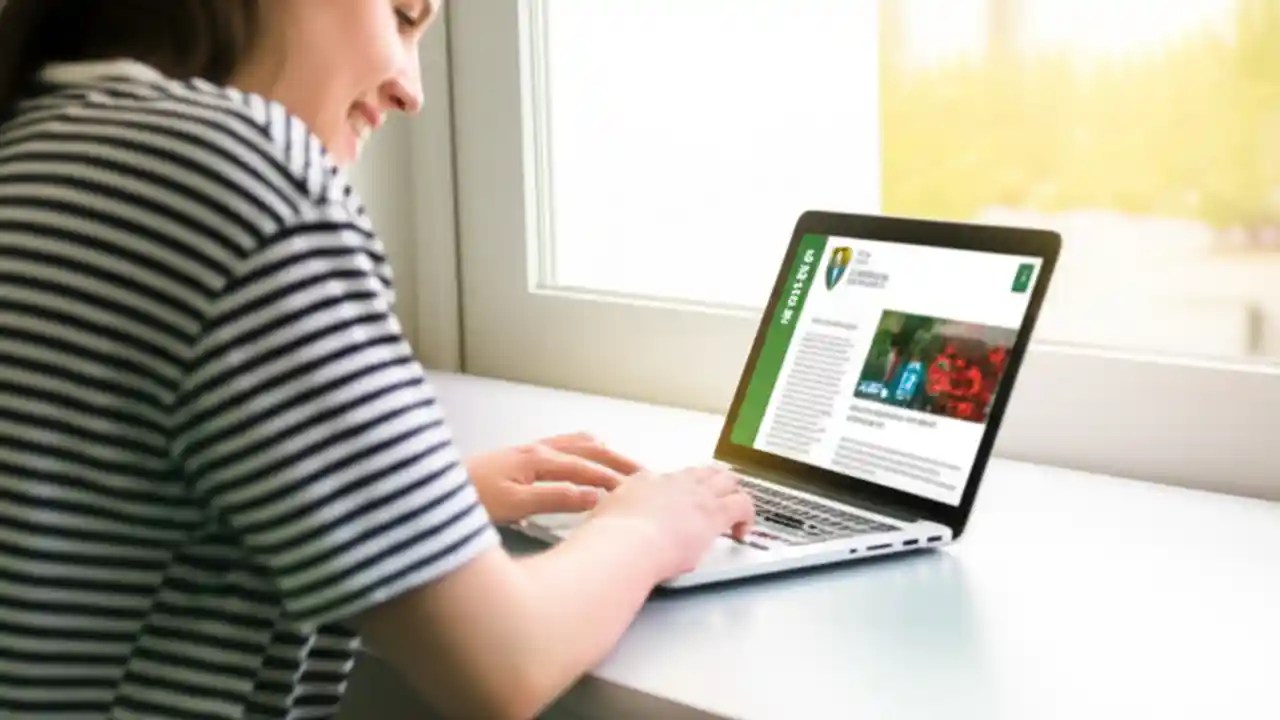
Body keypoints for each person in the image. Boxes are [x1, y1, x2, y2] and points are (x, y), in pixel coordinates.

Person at [0, 1, 756, 718]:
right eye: (400, 15)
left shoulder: (42, 149)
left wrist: (407, 504)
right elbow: (502, 665)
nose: (411, 89)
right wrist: (654, 525)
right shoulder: (229, 173)